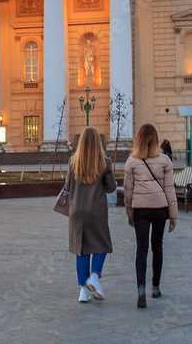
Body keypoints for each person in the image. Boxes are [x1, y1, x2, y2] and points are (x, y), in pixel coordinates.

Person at [124, 124, 177, 308]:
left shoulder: (131, 161)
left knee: (141, 249)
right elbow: (170, 189)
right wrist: (174, 215)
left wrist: (129, 213)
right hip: (160, 208)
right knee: (157, 246)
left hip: (140, 209)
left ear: (138, 139)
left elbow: (128, 192)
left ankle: (141, 288)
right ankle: (155, 286)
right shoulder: (165, 161)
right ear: (156, 140)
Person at [65, 126, 117, 304]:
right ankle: (94, 277)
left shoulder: (73, 161)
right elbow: (111, 187)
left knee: (81, 248)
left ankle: (83, 292)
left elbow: (67, 187)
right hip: (97, 210)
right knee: (101, 244)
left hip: (77, 211)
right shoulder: (104, 162)